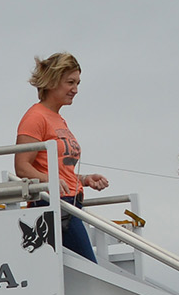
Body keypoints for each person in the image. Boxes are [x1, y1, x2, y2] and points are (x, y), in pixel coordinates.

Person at [15, 53, 112, 262]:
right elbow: (22, 167)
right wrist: (48, 181)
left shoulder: (58, 119)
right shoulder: (35, 117)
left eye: (77, 83)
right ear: (52, 81)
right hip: (54, 205)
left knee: (81, 271)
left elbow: (57, 169)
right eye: (70, 82)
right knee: (90, 268)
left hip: (71, 202)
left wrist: (84, 179)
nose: (75, 89)